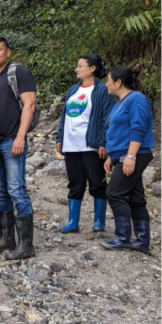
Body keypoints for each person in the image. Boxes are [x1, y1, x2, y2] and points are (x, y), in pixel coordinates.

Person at [0, 36, 37, 260]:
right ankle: (7, 238)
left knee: (16, 190)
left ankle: (26, 245)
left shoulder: (18, 73)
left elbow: (29, 104)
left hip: (12, 141)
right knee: (0, 192)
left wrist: (21, 137)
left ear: (8, 52)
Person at [57, 54, 113, 233]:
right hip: (71, 144)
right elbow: (64, 117)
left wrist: (103, 142)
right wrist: (60, 138)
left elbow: (107, 117)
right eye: (77, 65)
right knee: (75, 183)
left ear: (92, 68)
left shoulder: (101, 90)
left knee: (97, 182)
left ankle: (99, 222)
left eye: (80, 66)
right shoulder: (73, 90)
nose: (77, 69)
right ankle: (73, 222)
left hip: (91, 144)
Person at [101, 67, 155, 254]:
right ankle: (141, 241)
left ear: (118, 83)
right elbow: (116, 132)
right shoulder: (119, 103)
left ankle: (123, 238)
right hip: (121, 155)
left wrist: (130, 157)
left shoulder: (136, 99)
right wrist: (110, 157)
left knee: (115, 193)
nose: (106, 83)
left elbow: (137, 128)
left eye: (108, 80)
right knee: (135, 197)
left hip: (134, 154)